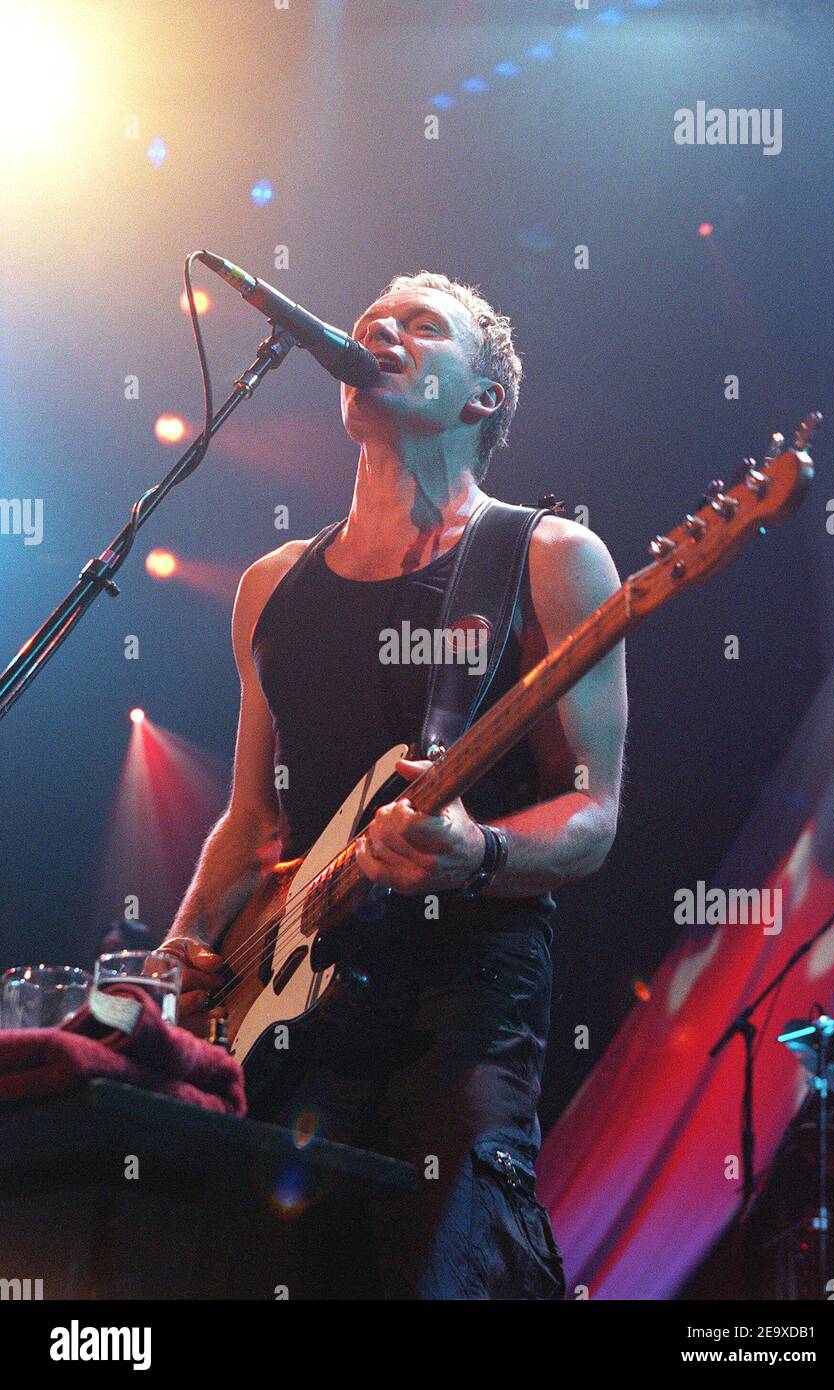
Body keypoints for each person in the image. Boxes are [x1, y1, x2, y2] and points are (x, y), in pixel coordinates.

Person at [158, 271, 628, 1298]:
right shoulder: (271, 584)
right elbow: (252, 819)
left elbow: (592, 812)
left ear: (481, 397)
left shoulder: (548, 558)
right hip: (281, 1013)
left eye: (423, 327)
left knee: (443, 1263)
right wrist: (179, 958)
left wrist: (478, 852)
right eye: (372, 321)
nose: (380, 333)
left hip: (463, 991)